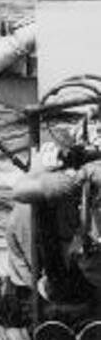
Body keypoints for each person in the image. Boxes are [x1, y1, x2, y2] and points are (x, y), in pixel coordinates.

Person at [7, 132, 101, 322]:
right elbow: (38, 275)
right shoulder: (29, 210)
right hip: (33, 293)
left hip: (63, 278)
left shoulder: (72, 196)